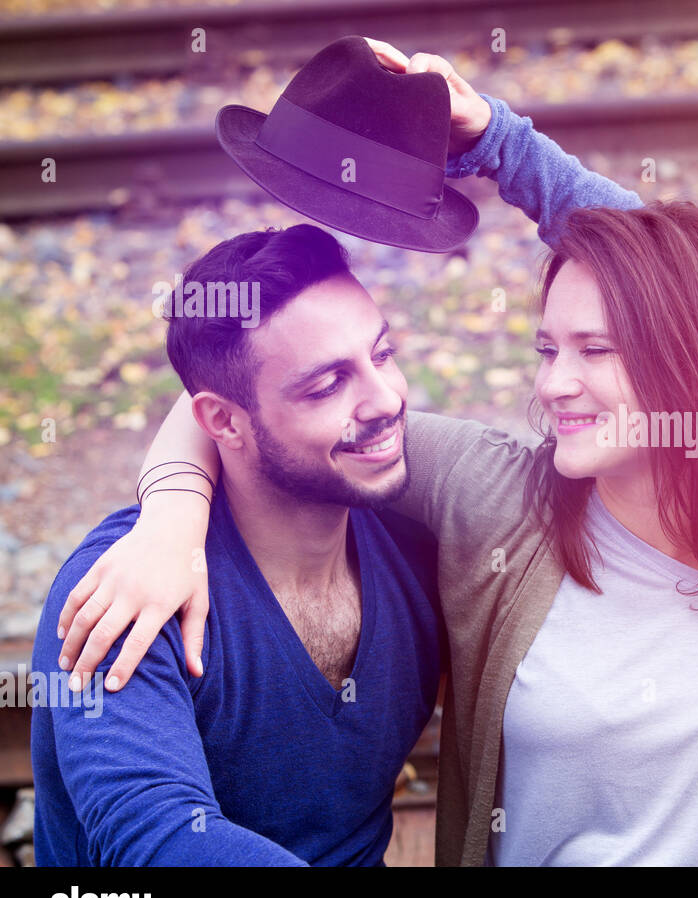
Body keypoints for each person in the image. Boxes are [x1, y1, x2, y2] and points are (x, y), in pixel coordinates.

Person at [54, 43, 698, 867]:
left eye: (596, 350)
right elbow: (146, 838)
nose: (556, 386)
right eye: (549, 351)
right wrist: (171, 511)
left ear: (690, 363)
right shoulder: (494, 500)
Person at [31, 225, 443, 865]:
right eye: (327, 384)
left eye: (383, 355)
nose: (386, 399)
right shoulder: (124, 587)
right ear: (223, 422)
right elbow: (151, 838)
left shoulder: (413, 543)